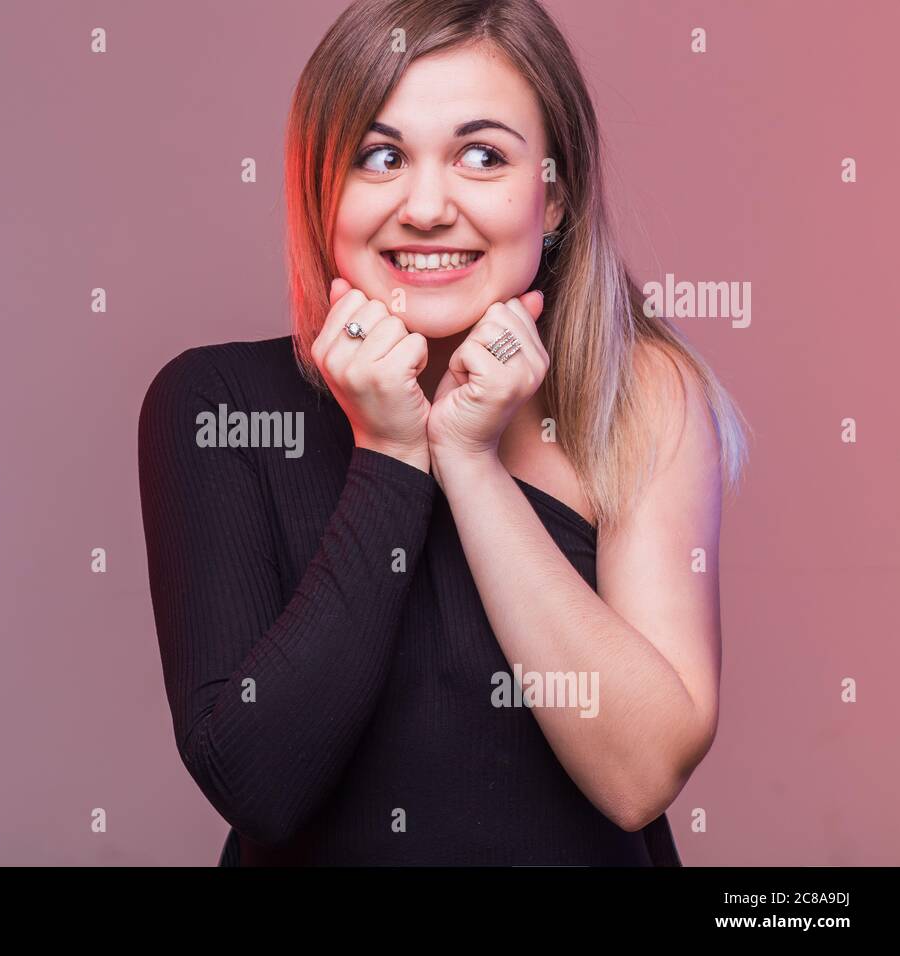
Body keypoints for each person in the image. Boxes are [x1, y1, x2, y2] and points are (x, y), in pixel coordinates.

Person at [138, 0, 749, 865]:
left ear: (555, 190)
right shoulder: (216, 405)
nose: (426, 207)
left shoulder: (641, 391)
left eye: (482, 155)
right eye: (379, 157)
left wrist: (468, 460)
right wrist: (390, 454)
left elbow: (639, 774)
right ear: (321, 190)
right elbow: (258, 783)